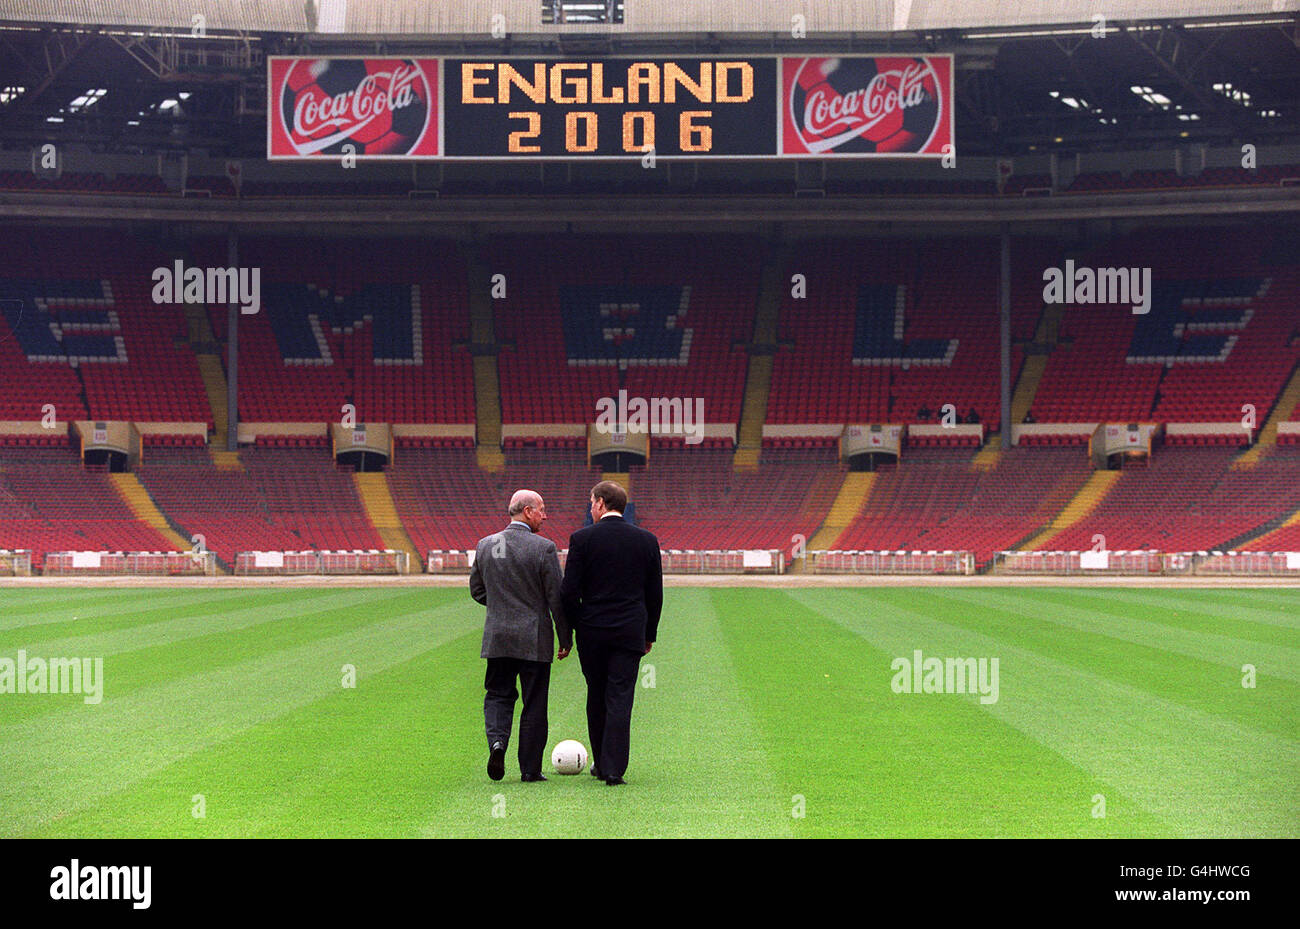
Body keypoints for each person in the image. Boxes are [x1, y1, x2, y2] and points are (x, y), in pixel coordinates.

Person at [561, 480, 662, 786]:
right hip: (629, 633)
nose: (590, 508)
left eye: (591, 503)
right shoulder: (647, 540)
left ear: (602, 504)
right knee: (620, 697)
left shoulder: (582, 539)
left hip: (592, 633)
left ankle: (602, 763)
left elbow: (568, 592)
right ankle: (615, 769)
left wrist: (580, 623)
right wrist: (649, 634)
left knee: (596, 694)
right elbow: (654, 594)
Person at [470, 489, 570, 783]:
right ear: (527, 511)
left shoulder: (486, 544)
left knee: (498, 695)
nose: (545, 515)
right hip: (534, 638)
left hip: (498, 637)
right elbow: (556, 598)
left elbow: (476, 590)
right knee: (534, 702)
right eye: (541, 509)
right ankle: (530, 769)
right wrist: (566, 637)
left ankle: (497, 743)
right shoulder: (543, 548)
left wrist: (502, 606)